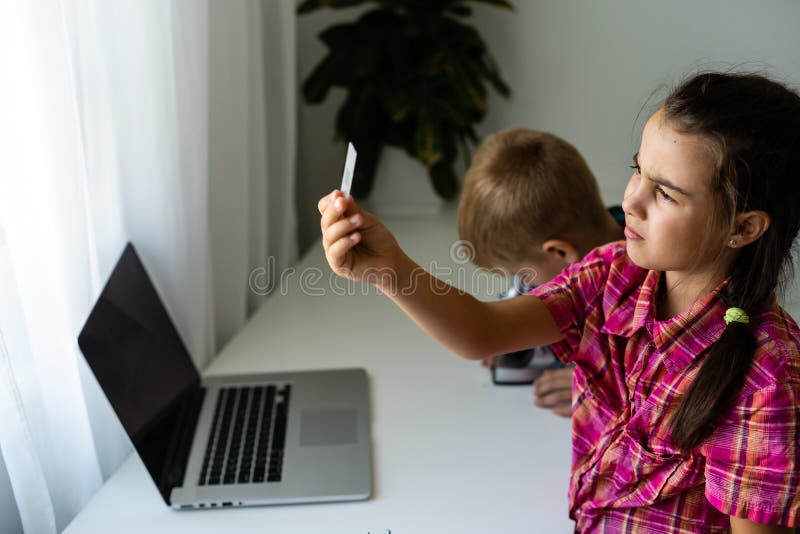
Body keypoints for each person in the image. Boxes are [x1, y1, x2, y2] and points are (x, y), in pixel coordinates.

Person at [318, 72, 800, 531]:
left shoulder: (766, 380)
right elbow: (482, 330)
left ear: (743, 227)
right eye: (638, 170)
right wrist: (387, 268)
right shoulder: (613, 272)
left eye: (667, 194)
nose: (631, 201)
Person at [456, 128, 624, 416]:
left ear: (559, 253)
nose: (523, 286)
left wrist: (602, 388)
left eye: (523, 275)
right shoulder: (602, 230)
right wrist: (518, 334)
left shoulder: (647, 292)